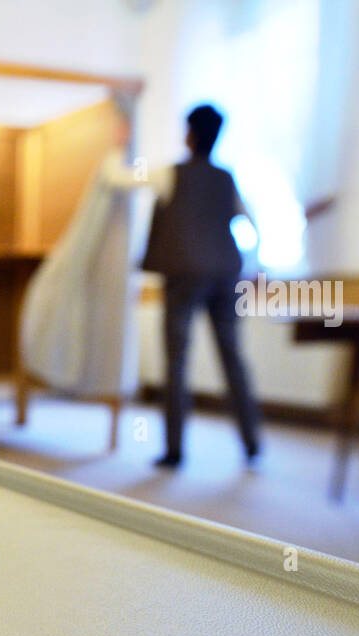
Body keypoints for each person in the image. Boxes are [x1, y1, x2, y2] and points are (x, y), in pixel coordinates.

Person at [107, 104, 262, 468]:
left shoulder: (169, 174)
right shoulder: (227, 179)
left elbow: (118, 179)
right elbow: (252, 224)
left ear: (189, 134)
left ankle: (175, 450)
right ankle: (252, 441)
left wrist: (117, 144)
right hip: (226, 273)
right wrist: (254, 268)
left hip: (184, 276)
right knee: (233, 358)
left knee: (176, 360)